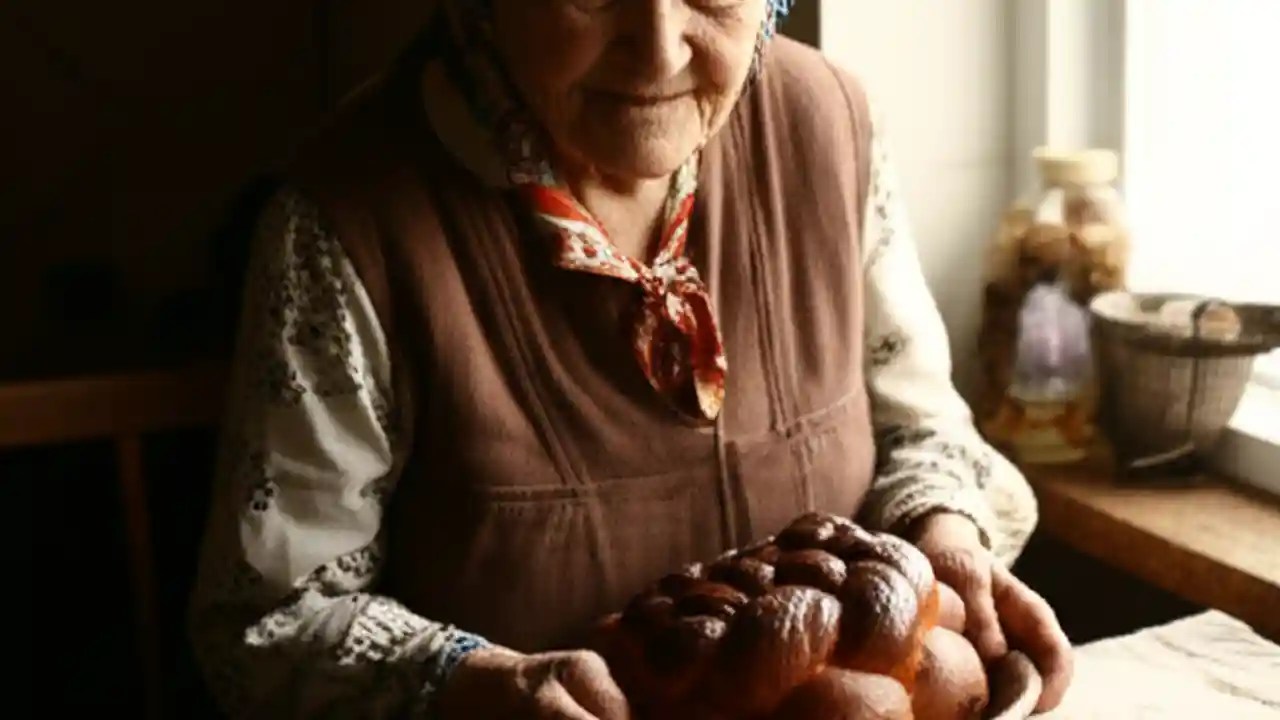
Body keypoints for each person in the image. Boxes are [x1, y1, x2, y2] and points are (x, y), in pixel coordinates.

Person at [189, 1, 1073, 717]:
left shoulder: (829, 125)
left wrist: (944, 535)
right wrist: (476, 683)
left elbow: (917, 427)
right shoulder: (347, 221)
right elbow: (269, 621)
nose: (657, 50)